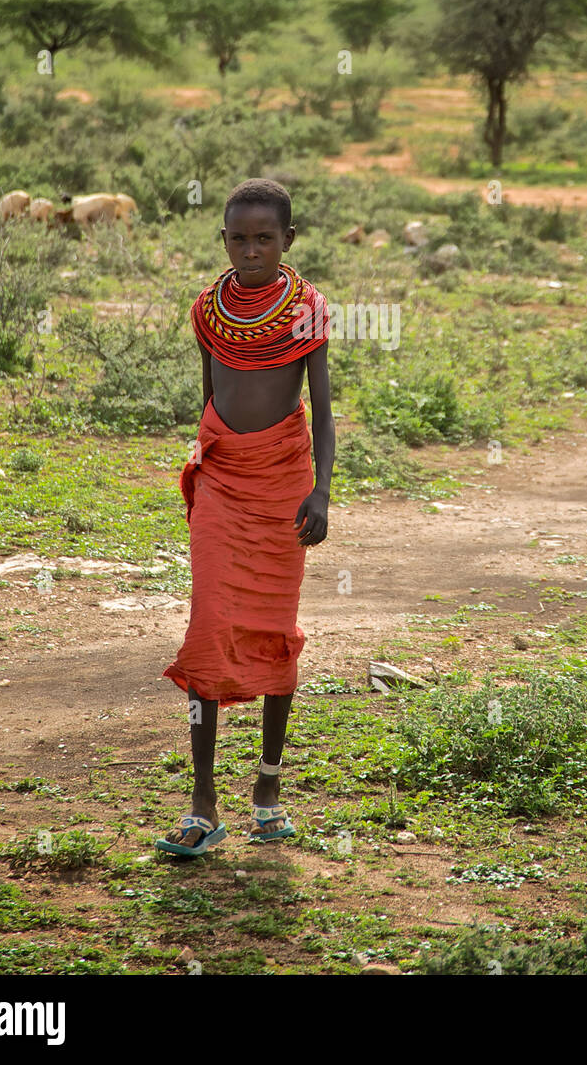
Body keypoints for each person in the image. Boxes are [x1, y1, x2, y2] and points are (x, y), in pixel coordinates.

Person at [156, 178, 335, 855]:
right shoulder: (208, 309)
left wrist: (320, 492)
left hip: (284, 486)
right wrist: (208, 467)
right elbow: (210, 395)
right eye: (238, 237)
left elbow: (321, 407)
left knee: (269, 629)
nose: (251, 250)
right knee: (207, 628)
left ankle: (267, 790)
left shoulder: (307, 311)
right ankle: (202, 803)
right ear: (222, 239)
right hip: (223, 480)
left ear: (288, 239)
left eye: (265, 238)